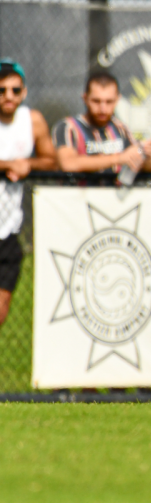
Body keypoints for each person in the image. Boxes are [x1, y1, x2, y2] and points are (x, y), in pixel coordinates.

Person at [0, 60, 55, 332]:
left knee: (1, 310)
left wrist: (27, 164)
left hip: (9, 229)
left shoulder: (31, 121)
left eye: (14, 90)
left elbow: (51, 160)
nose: (8, 96)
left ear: (24, 92)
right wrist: (8, 165)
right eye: (1, 90)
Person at [54, 70, 151, 175]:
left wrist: (145, 156)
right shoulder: (68, 127)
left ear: (117, 100)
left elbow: (150, 167)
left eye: (109, 102)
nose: (103, 109)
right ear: (85, 98)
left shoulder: (120, 128)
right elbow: (68, 164)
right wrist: (119, 159)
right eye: (96, 101)